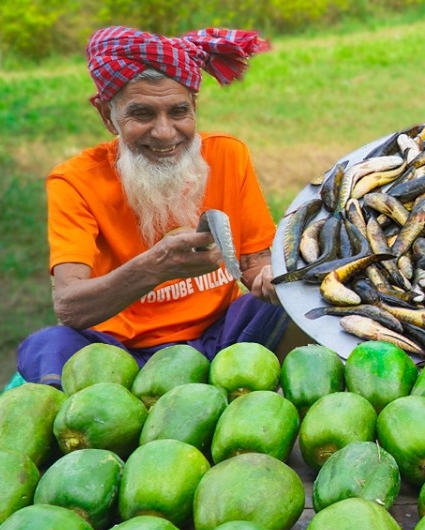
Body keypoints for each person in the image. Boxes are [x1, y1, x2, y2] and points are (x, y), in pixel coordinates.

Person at [17, 25, 287, 386]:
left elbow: (256, 261)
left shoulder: (227, 154)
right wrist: (155, 267)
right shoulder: (74, 182)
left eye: (178, 111)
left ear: (194, 105)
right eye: (142, 114)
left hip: (223, 337)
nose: (164, 132)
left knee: (298, 300)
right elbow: (70, 305)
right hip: (119, 353)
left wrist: (267, 276)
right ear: (106, 115)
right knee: (47, 345)